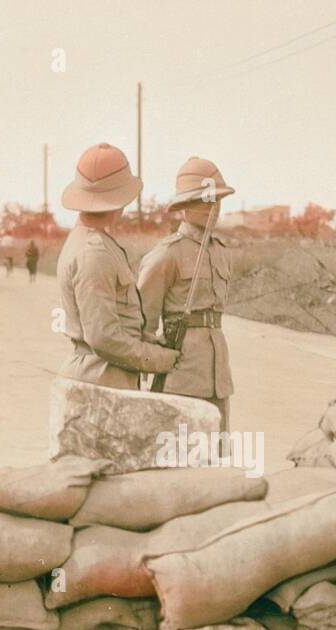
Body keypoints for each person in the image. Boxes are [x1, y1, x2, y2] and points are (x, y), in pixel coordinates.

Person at [55, 143, 179, 388]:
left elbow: (109, 321)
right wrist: (160, 359)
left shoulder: (86, 240)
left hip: (99, 376)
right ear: (120, 201)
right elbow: (103, 337)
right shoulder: (95, 252)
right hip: (100, 380)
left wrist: (146, 340)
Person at [137, 157, 235, 430]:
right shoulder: (167, 255)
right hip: (180, 375)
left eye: (217, 200)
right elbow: (142, 322)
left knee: (216, 455)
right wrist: (152, 363)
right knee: (180, 457)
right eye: (204, 201)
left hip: (217, 375)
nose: (213, 208)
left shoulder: (222, 253)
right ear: (184, 208)